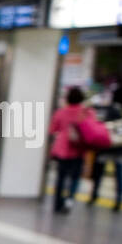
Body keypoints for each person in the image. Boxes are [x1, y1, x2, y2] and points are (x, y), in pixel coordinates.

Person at [47, 86, 100, 214]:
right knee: (75, 177)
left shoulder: (61, 112)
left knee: (61, 177)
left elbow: (52, 129)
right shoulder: (87, 112)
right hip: (79, 149)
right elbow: (93, 128)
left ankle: (57, 204)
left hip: (62, 149)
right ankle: (69, 200)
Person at [89, 84, 122, 211]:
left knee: (99, 173)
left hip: (107, 146)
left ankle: (94, 195)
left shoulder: (111, 110)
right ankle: (119, 199)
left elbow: (103, 125)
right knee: (120, 175)